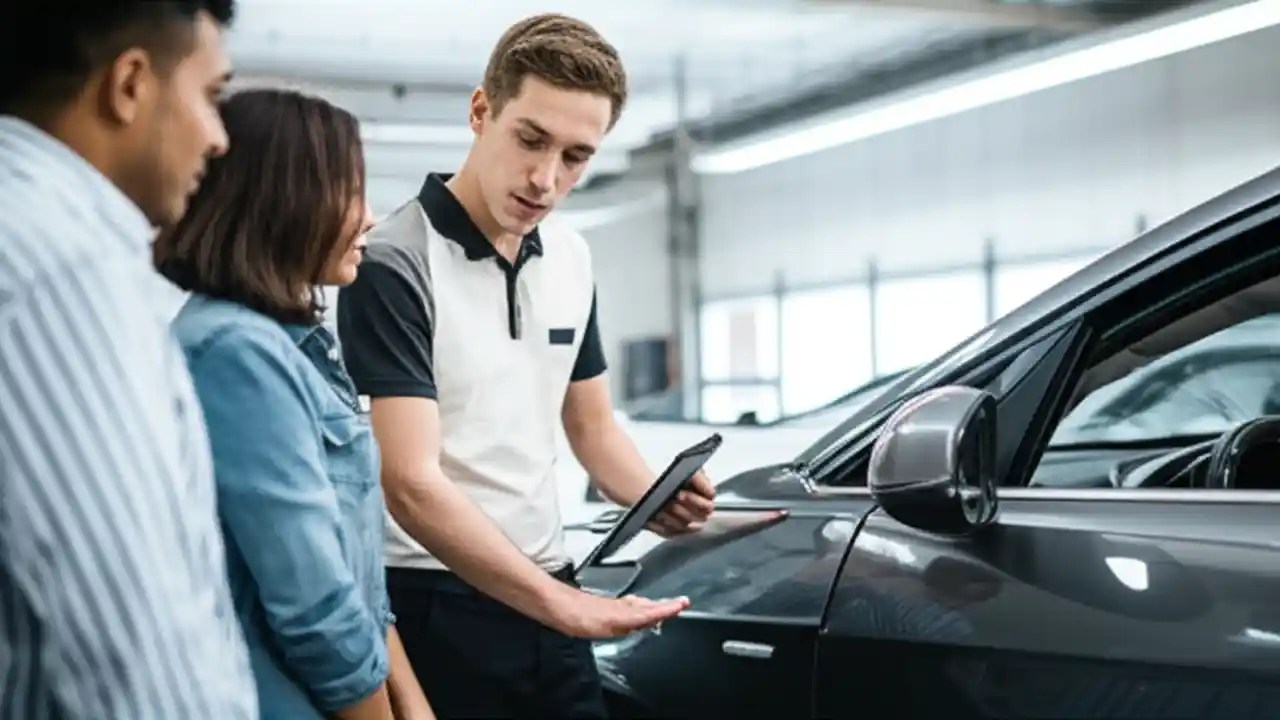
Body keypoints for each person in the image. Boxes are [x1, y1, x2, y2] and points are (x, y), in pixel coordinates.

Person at [337, 13, 715, 718]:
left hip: (551, 591)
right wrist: (566, 608)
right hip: (436, 601)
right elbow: (410, 483)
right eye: (531, 140)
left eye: (576, 156)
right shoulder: (393, 262)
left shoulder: (571, 257)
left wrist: (662, 499)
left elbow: (594, 431)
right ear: (482, 112)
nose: (546, 178)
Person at [0, 3, 257, 718]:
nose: (218, 138)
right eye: (210, 98)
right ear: (131, 84)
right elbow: (131, 644)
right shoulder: (64, 270)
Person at [154, 89, 434, 720]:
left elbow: (359, 581)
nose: (369, 218)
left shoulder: (295, 346)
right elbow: (315, 604)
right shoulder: (235, 352)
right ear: (286, 200)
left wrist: (413, 707)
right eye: (351, 192)